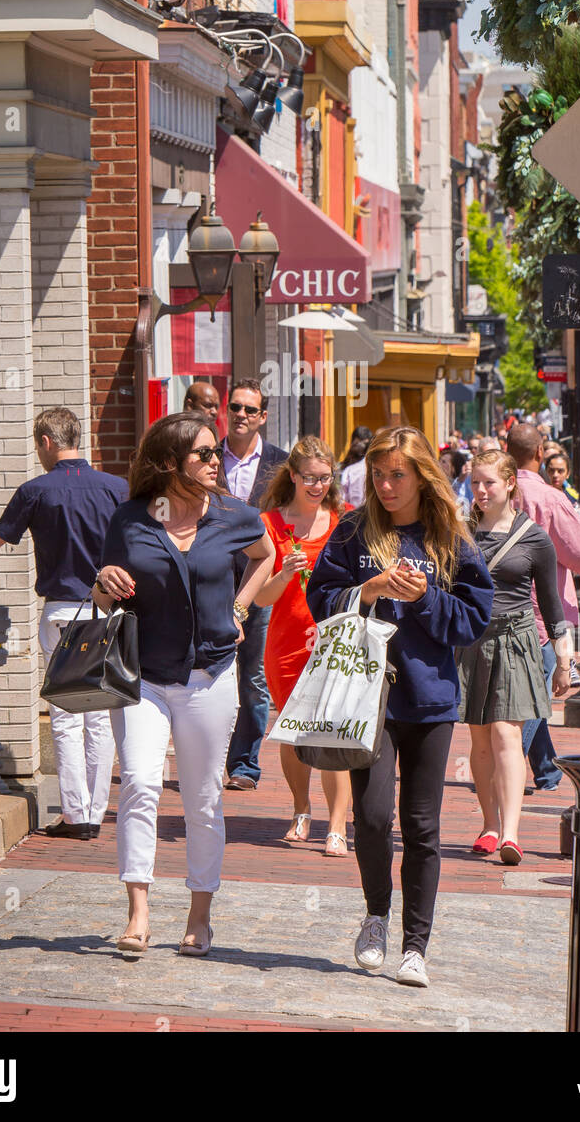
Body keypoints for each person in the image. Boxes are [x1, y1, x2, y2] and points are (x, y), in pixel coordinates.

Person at [307, 426, 493, 989]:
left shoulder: (449, 535)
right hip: (366, 698)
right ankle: (376, 914)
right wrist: (368, 591)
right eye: (378, 475)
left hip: (429, 697)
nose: (385, 486)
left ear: (421, 477)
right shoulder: (354, 531)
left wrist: (426, 597)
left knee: (421, 826)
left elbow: (473, 619)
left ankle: (416, 946)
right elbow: (319, 598)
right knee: (371, 816)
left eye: (397, 476)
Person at [93, 412, 276, 957]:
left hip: (211, 676)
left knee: (202, 798)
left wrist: (241, 605)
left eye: (214, 452)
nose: (215, 460)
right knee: (142, 784)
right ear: (170, 463)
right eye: (203, 454)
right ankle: (138, 912)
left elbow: (264, 557)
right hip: (144, 676)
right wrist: (103, 584)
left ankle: (200, 915)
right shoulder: (130, 519)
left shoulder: (234, 515)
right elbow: (104, 595)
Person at [0, 408, 127, 841]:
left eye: (37, 446)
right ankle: (95, 811)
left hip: (64, 613)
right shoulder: (116, 488)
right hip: (109, 612)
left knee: (68, 716)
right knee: (100, 715)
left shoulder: (37, 490)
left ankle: (75, 816)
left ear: (47, 442)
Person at [457, 451, 572, 864]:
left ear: (510, 484)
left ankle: (510, 833)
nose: (481, 491)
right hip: (472, 641)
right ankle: (488, 824)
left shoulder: (534, 537)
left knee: (507, 734)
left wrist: (563, 660)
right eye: (475, 484)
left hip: (517, 639)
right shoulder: (461, 533)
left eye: (489, 483)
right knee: (480, 738)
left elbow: (551, 603)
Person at [254, 437, 348, 853]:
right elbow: (261, 598)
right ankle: (301, 808)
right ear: (292, 475)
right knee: (293, 732)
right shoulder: (270, 523)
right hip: (286, 643)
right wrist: (285, 572)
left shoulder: (344, 523)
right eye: (308, 477)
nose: (316, 486)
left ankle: (338, 826)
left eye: (324, 478)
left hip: (332, 643)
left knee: (333, 734)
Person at [506, 423, 580, 783]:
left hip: (504, 608)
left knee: (526, 691)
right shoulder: (550, 499)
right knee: (538, 696)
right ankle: (506, 768)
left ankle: (546, 770)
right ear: (540, 454)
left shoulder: (496, 492)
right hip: (544, 612)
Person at [220, 378, 288, 791]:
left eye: (250, 409)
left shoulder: (280, 464)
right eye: (235, 407)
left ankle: (244, 764)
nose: (241, 415)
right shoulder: (208, 458)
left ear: (263, 416)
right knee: (212, 670)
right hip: (211, 579)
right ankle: (213, 756)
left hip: (260, 580)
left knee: (253, 675)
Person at [543, 447, 580, 515]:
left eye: (560, 471)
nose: (555, 475)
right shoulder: (541, 496)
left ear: (568, 474)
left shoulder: (572, 495)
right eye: (551, 471)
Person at [340, 425, 372, 508]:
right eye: (357, 444)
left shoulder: (374, 467)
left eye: (364, 444)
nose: (360, 448)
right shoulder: (346, 468)